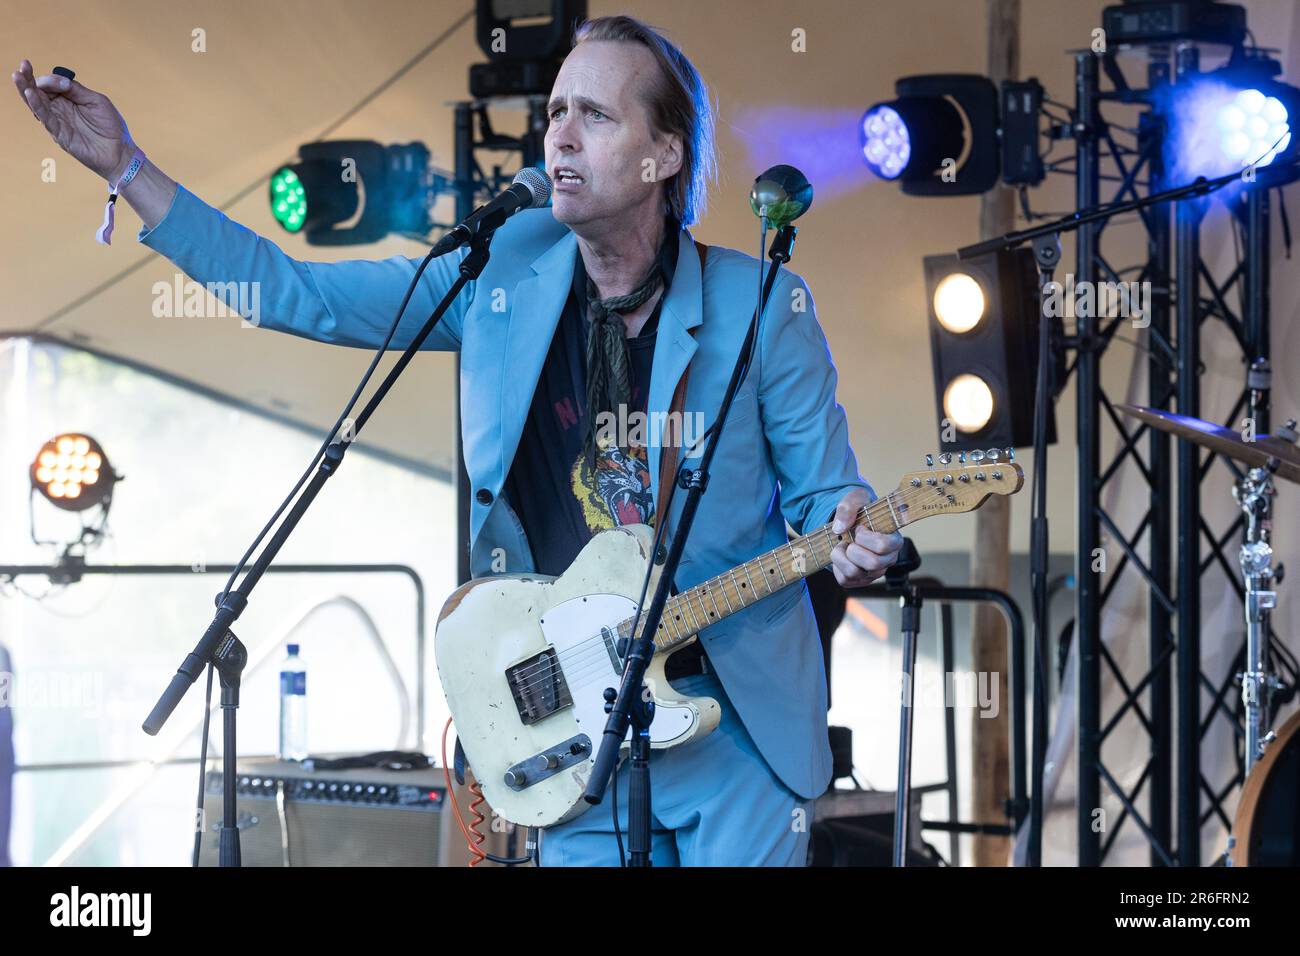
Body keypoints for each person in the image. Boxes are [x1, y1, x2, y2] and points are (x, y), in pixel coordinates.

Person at [12, 14, 904, 866]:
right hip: (574, 725)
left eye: (593, 115)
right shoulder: (498, 283)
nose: (558, 135)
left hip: (733, 715)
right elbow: (293, 292)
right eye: (555, 111)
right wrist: (126, 167)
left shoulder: (761, 303)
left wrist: (858, 531)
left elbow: (827, 496)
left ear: (662, 155)